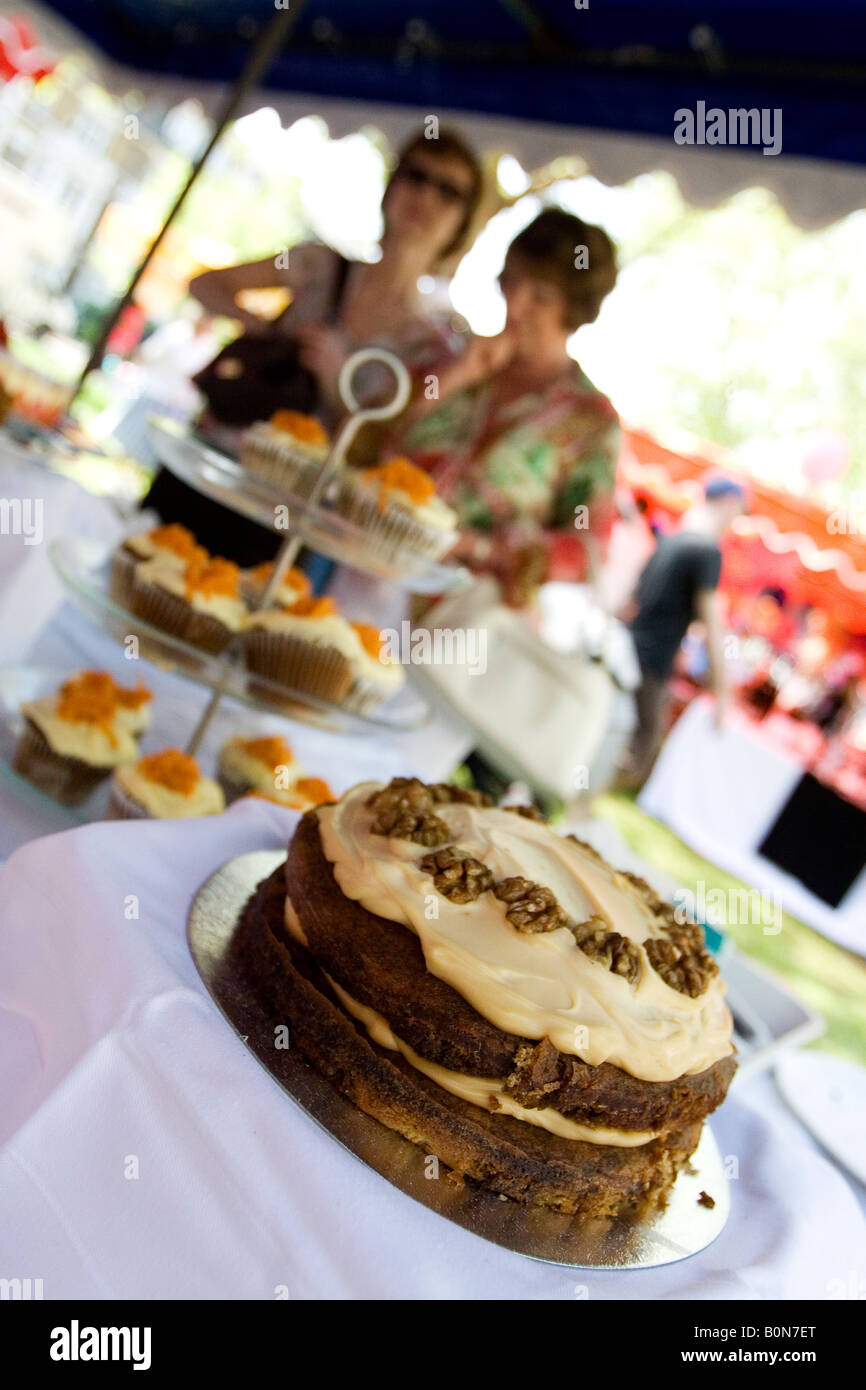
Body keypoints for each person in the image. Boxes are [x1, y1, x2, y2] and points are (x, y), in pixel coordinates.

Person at [141, 126, 485, 564]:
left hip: (284, 517)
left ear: (462, 222)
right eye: (416, 176)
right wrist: (268, 332)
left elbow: (379, 453)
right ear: (392, 186)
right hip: (210, 463)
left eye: (448, 191)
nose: (426, 197)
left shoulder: (434, 345)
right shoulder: (318, 264)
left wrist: (337, 381)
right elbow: (206, 283)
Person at [397, 207, 620, 608]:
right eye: (512, 282)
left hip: (456, 619)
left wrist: (484, 549)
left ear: (574, 309)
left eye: (540, 296)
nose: (515, 305)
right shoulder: (451, 352)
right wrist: (456, 377)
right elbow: (372, 432)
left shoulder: (589, 419)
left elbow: (588, 548)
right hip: (365, 573)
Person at [620, 475, 748, 786]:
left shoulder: (672, 540)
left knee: (619, 742)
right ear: (729, 504)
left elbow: (632, 600)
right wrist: (722, 696)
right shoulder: (706, 552)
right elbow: (711, 628)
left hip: (628, 649)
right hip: (650, 665)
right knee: (637, 754)